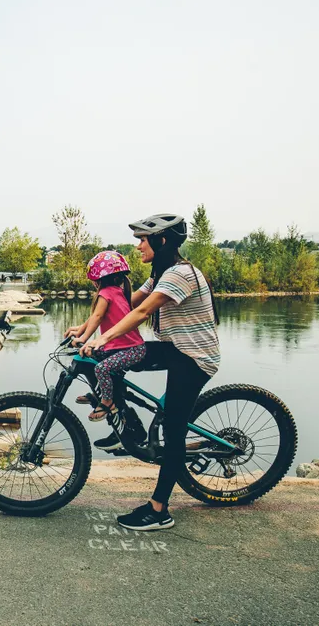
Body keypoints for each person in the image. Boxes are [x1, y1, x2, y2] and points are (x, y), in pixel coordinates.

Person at [80, 215, 220, 532]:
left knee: (173, 430)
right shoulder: (160, 274)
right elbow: (125, 306)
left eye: (143, 239)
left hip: (195, 358)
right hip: (174, 348)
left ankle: (159, 509)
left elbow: (142, 313)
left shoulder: (180, 275)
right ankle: (128, 429)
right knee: (105, 360)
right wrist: (88, 328)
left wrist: (102, 338)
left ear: (162, 241)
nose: (139, 245)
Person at [64, 251, 147, 424]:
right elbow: (96, 316)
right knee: (90, 358)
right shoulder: (117, 291)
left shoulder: (106, 293)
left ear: (96, 279)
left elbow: (97, 317)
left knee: (101, 369)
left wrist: (83, 338)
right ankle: (100, 392)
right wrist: (80, 331)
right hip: (122, 346)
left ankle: (108, 402)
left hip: (131, 349)